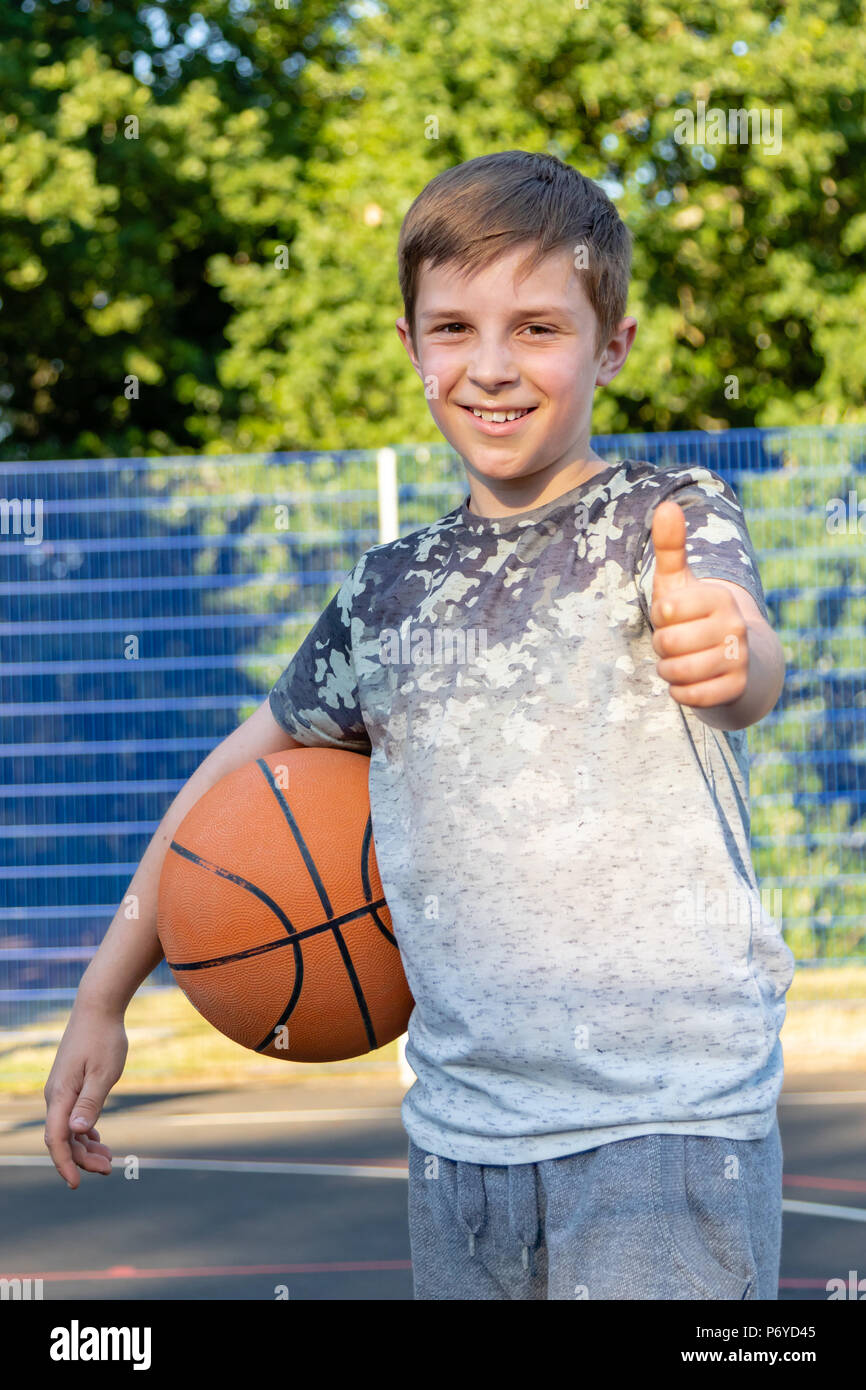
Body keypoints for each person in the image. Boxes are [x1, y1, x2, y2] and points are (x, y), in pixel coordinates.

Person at [44, 149, 795, 1301]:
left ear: (612, 346)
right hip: (459, 1142)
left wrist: (728, 652)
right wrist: (103, 994)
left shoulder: (667, 515)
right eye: (452, 329)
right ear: (410, 346)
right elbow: (229, 782)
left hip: (666, 1129)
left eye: (537, 328)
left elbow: (742, 653)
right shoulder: (388, 593)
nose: (490, 367)